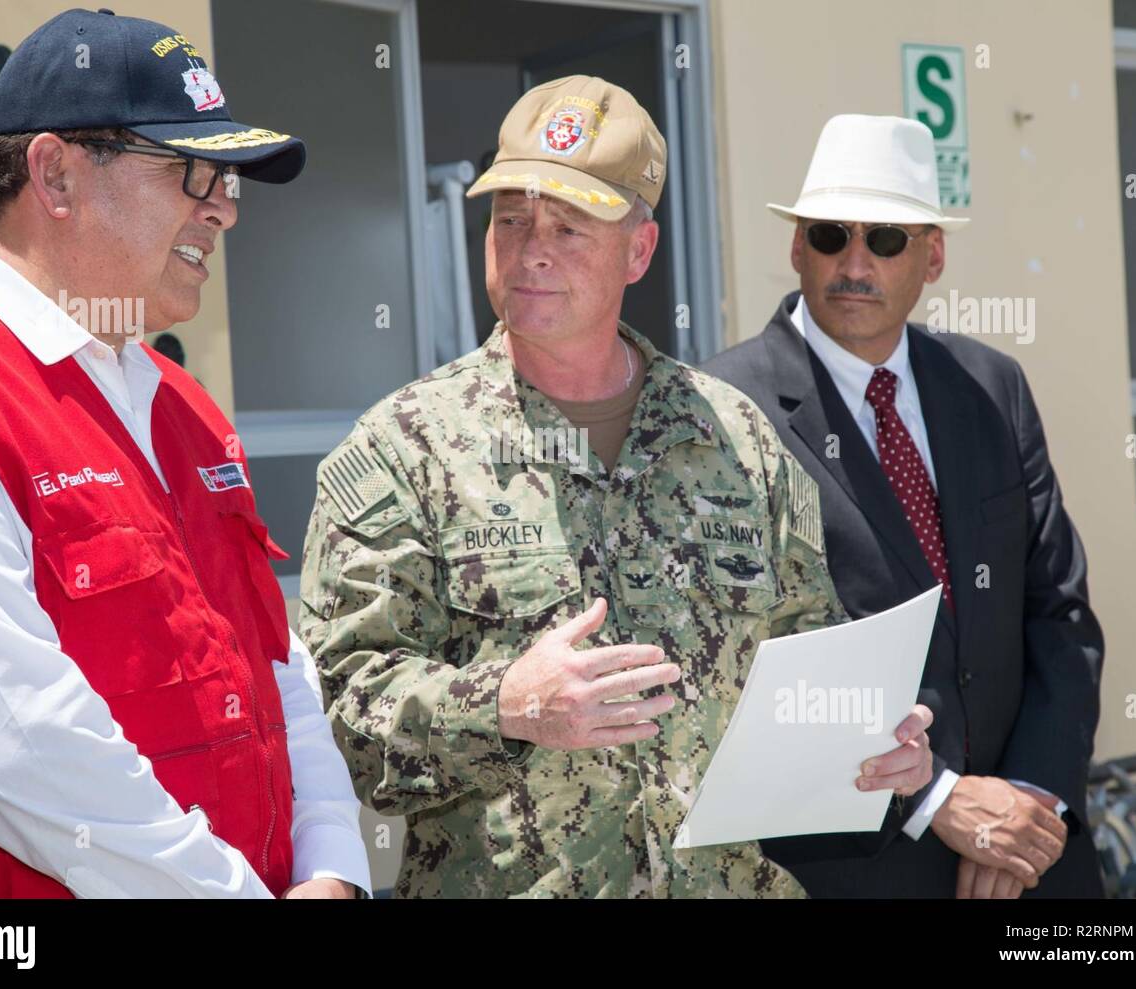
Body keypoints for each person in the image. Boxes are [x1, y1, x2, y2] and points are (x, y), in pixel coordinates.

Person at [300, 77, 934, 898]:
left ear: (639, 250)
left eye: (569, 226)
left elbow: (809, 655)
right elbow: (334, 717)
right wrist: (503, 702)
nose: (532, 248)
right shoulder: (402, 449)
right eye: (512, 219)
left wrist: (872, 737)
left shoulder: (736, 438)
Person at [0, 9, 369, 899]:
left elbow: (279, 671)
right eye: (193, 171)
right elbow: (19, 746)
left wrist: (334, 864)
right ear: (57, 173)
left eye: (229, 178)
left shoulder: (175, 399)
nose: (223, 207)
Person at [701, 114, 1104, 898]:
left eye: (885, 238)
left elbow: (1059, 613)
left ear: (934, 254)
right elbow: (739, 666)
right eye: (828, 235)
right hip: (855, 869)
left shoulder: (992, 387)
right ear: (796, 248)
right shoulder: (719, 412)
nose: (854, 263)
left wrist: (1027, 798)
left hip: (1029, 861)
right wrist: (939, 800)